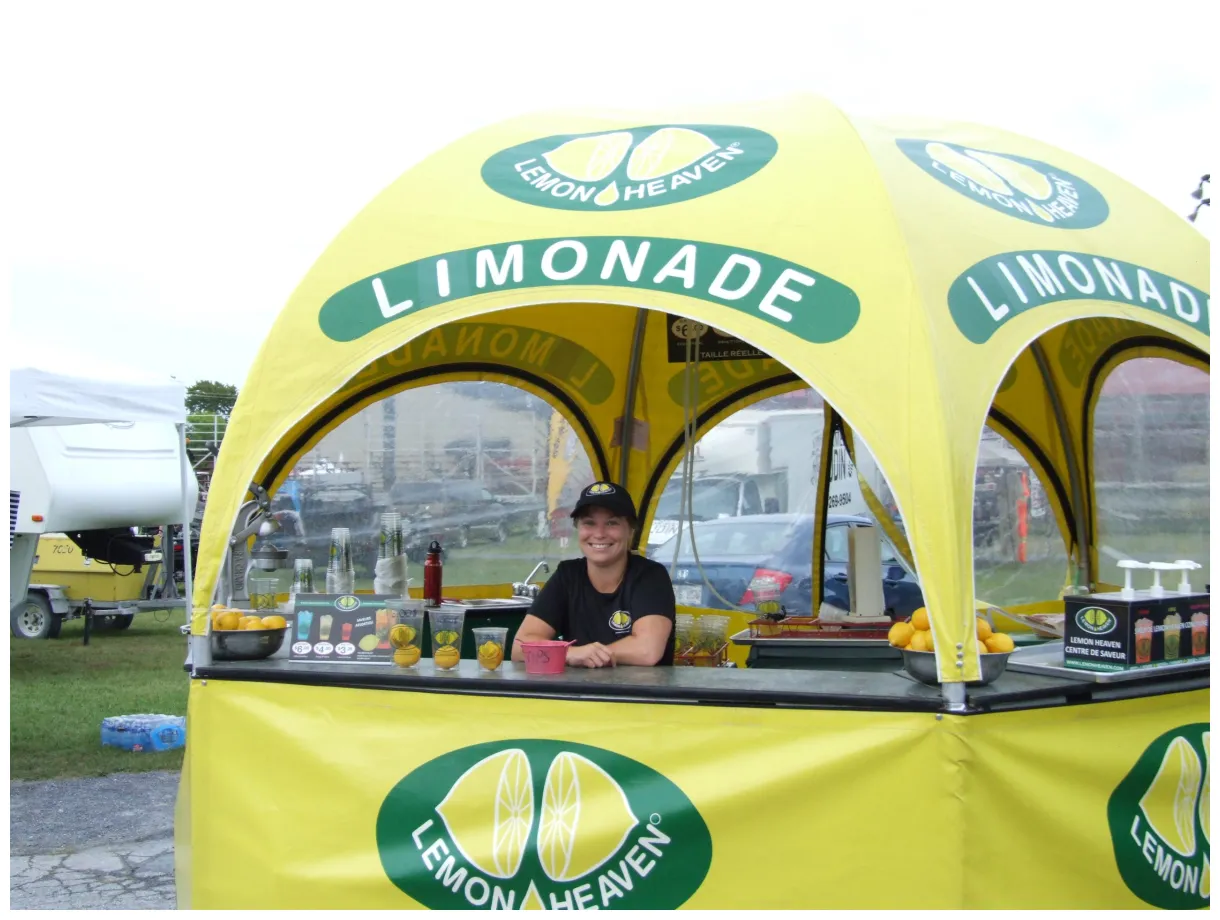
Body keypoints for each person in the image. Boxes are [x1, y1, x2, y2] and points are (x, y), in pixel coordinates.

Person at [512, 481, 676, 667]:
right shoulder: (568, 575)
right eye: (589, 523)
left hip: (639, 695)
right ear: (578, 528)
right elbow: (519, 647)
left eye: (611, 523)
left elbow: (647, 651)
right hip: (579, 694)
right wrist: (569, 653)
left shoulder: (650, 576)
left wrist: (587, 655)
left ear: (630, 530)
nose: (599, 534)